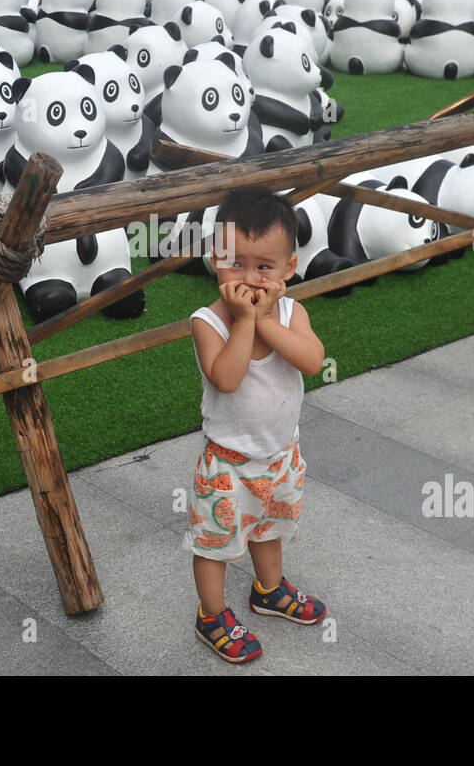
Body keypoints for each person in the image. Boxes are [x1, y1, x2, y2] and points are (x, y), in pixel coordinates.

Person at [184, 185, 327, 663]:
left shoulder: (292, 312)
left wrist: (265, 320)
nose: (249, 278)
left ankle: (268, 590)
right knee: (215, 544)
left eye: (264, 267)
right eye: (235, 263)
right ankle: (212, 616)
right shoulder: (209, 322)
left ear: (289, 268)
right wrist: (245, 322)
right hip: (228, 464)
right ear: (215, 259)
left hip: (281, 455)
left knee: (271, 529)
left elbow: (311, 360)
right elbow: (225, 378)